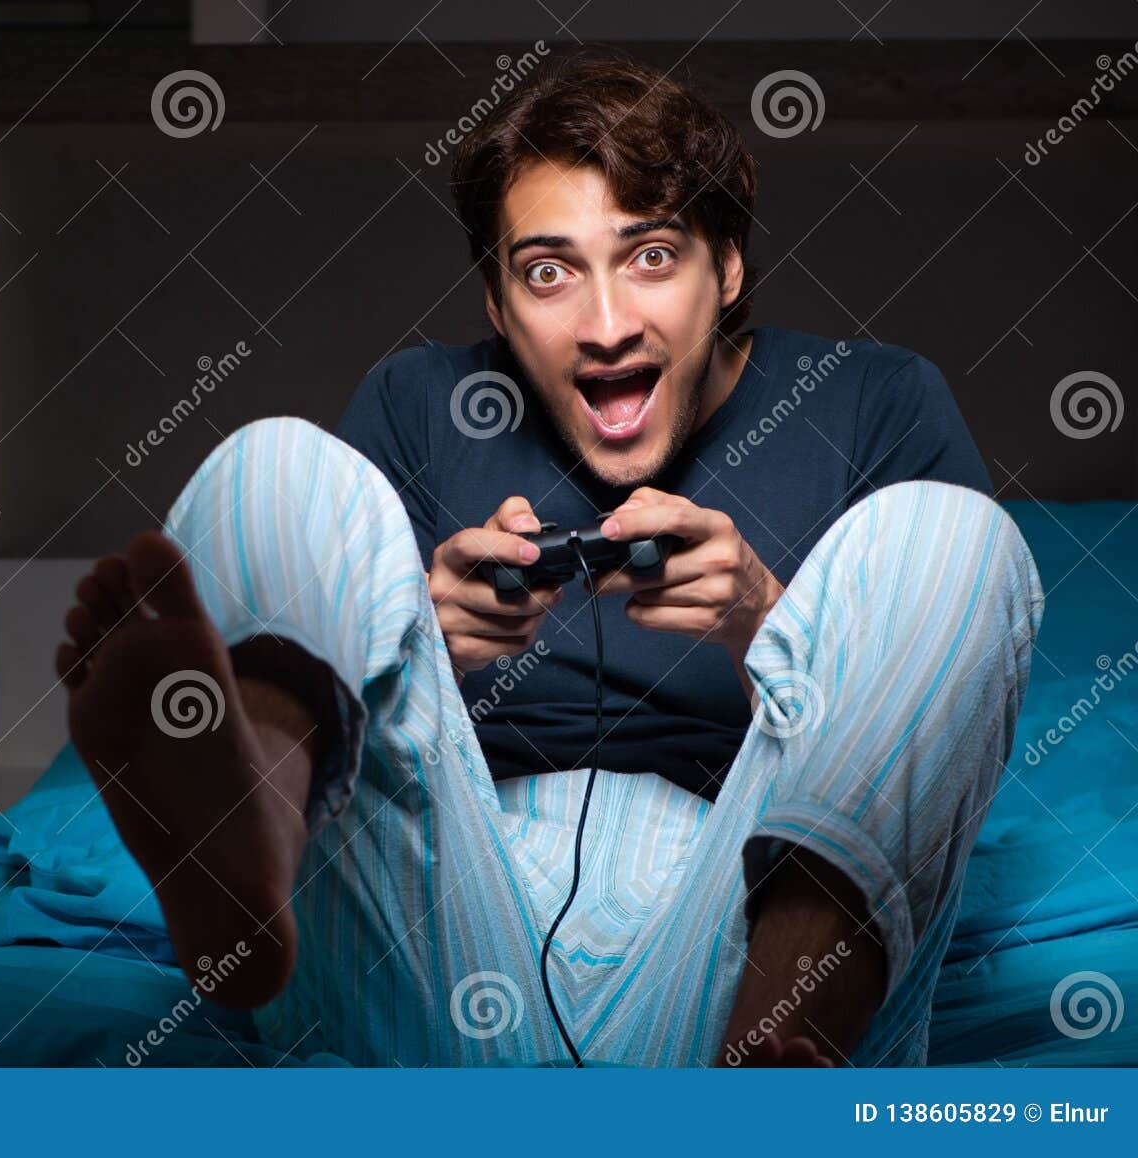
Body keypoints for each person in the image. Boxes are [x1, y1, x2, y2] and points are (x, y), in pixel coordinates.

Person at [55, 49, 1043, 1066]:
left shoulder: (871, 400)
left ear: (729, 267)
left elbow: (942, 702)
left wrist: (762, 618)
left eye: (651, 256)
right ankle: (244, 841)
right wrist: (417, 639)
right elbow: (357, 637)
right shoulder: (415, 403)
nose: (606, 324)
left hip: (725, 952)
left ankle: (788, 1047)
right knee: (275, 464)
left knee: (955, 537)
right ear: (496, 303)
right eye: (548, 271)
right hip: (436, 948)